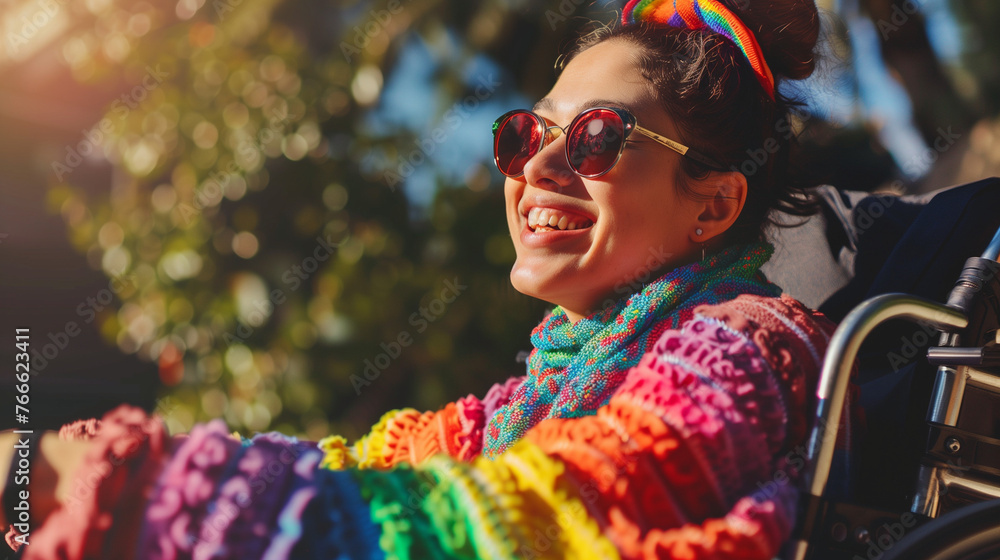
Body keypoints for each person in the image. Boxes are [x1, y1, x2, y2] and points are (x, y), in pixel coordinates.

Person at [2, 0, 860, 558]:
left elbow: (544, 518)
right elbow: (355, 464)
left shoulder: (752, 353)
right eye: (525, 134)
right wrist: (49, 469)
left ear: (712, 206)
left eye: (598, 136)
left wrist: (137, 494)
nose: (541, 167)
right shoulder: (530, 398)